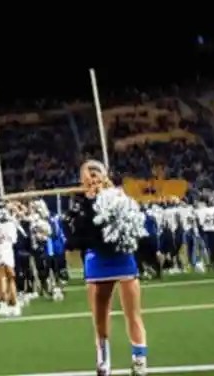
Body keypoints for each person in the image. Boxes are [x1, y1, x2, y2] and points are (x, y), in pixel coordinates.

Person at [66, 160, 150, 376]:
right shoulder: (78, 204)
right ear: (82, 181)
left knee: (133, 313)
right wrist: (86, 205)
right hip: (97, 260)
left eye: (96, 176)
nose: (93, 180)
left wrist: (113, 200)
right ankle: (103, 360)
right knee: (101, 316)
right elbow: (75, 240)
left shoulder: (120, 198)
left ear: (104, 176)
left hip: (122, 258)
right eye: (88, 177)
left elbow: (135, 227)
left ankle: (139, 359)